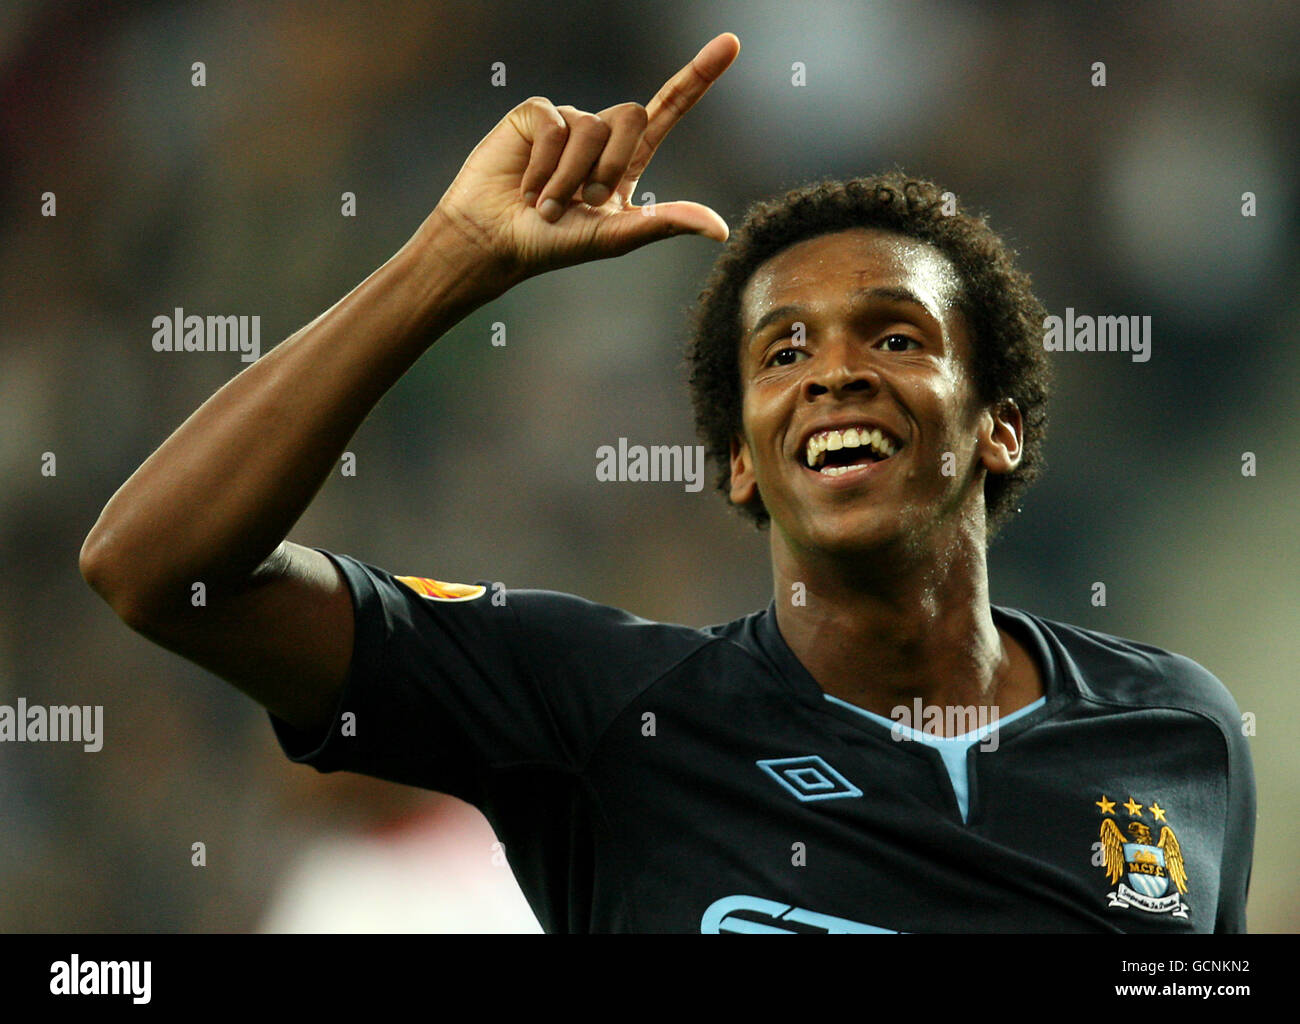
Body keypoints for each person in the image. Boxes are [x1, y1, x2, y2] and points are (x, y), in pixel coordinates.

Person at [80, 32, 1254, 934]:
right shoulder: (607, 714)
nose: (833, 374)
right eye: (782, 353)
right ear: (740, 462)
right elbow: (154, 569)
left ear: (998, 427)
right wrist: (451, 260)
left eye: (895, 336)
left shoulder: (1176, 736)